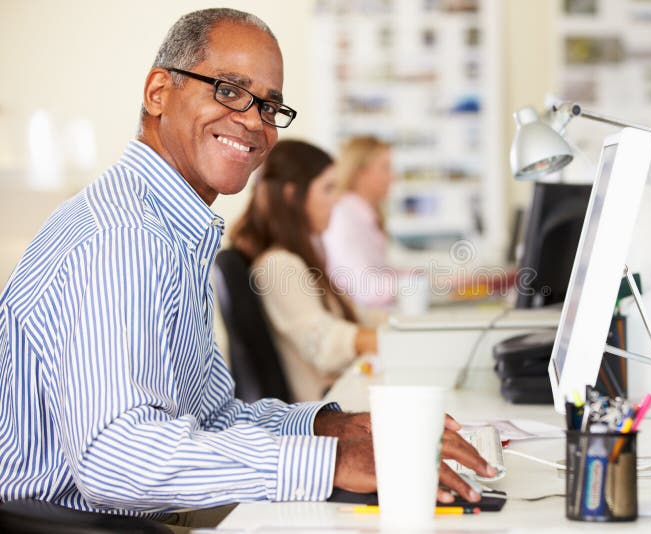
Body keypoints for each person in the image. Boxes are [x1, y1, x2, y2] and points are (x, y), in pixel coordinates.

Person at [0, 7, 493, 522]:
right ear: (157, 93)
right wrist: (331, 463)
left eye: (269, 106)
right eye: (229, 90)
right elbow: (117, 460)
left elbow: (212, 419)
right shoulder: (125, 236)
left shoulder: (171, 229)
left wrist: (330, 428)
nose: (253, 121)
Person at [228, 139, 379, 402]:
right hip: (322, 407)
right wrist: (382, 340)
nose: (336, 200)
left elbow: (351, 318)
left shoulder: (300, 258)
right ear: (291, 195)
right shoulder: (278, 265)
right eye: (328, 189)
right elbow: (321, 343)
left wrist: (397, 328)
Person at [322, 136, 395, 309]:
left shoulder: (362, 214)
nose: (393, 176)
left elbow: (380, 271)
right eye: (386, 168)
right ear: (361, 173)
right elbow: (367, 289)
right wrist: (433, 284)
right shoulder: (343, 217)